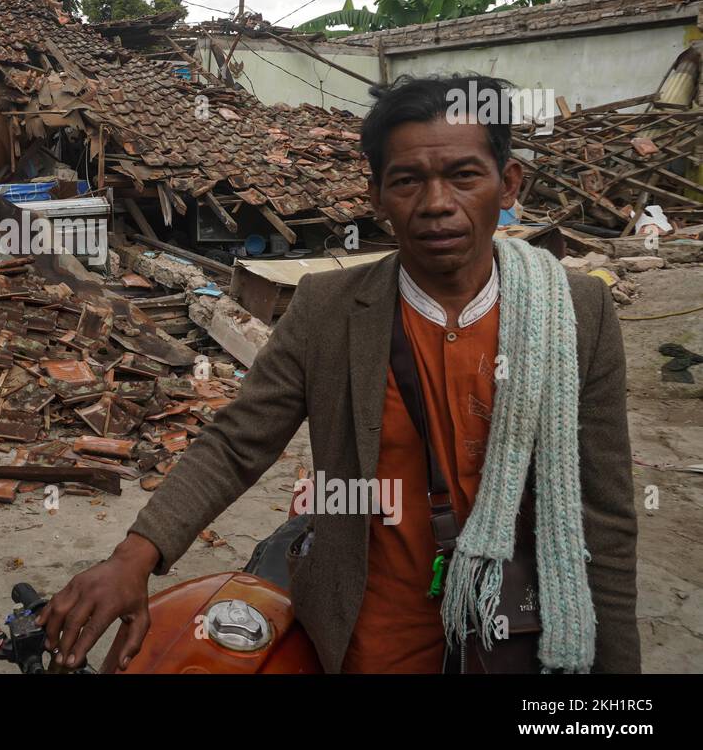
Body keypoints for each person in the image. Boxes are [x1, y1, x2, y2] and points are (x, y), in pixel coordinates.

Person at [38, 75, 640, 673]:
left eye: (463, 175)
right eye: (407, 180)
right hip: (375, 634)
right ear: (376, 195)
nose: (436, 203)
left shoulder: (574, 312)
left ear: (508, 183)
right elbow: (237, 440)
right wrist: (134, 556)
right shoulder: (327, 309)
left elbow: (602, 512)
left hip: (523, 624)